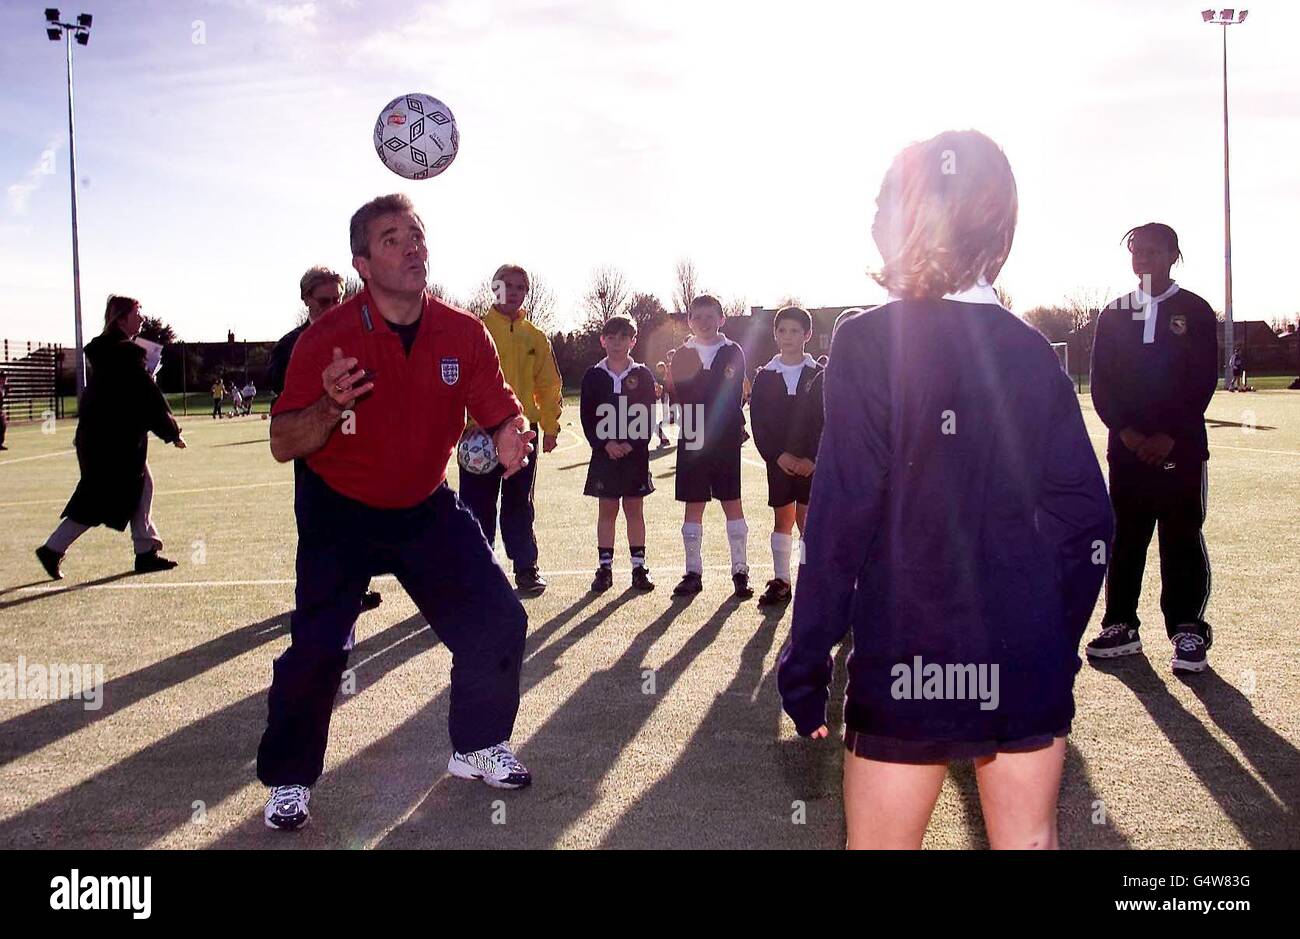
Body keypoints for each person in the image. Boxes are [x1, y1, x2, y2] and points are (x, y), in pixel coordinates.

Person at [778, 130, 1112, 849]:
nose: (873, 215)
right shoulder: (1032, 350)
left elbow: (839, 527)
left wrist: (806, 659)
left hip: (909, 650)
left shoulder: (869, 342)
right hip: (1022, 656)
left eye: (884, 200)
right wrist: (1051, 641)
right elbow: (1086, 520)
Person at [257, 193, 537, 831]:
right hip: (339, 510)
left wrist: (509, 432)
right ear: (362, 262)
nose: (412, 247)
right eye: (391, 239)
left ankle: (476, 746)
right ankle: (290, 782)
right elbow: (283, 443)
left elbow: (495, 404)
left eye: (416, 234)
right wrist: (329, 407)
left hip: (422, 502)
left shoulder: (464, 333)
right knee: (317, 652)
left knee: (498, 621)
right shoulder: (324, 339)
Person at [1086, 223, 1218, 674]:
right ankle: (1120, 624)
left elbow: (1200, 381)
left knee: (1180, 536)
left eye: (1153, 252)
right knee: (1125, 538)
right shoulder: (1114, 314)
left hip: (1179, 450)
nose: (1142, 259)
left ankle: (1187, 629)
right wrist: (1126, 432)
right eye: (1136, 252)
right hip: (1127, 451)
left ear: (1173, 256)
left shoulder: (1195, 311)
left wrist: (1170, 436)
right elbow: (1102, 383)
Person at [35, 295, 188, 580]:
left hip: (103, 440)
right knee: (96, 502)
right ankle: (53, 549)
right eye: (136, 313)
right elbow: (147, 397)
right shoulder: (125, 355)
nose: (141, 319)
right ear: (120, 318)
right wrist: (171, 431)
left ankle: (145, 550)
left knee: (134, 488)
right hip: (113, 443)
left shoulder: (111, 353)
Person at [269, 267, 382, 613]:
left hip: (356, 447)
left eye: (338, 298)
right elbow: (281, 396)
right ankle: (312, 600)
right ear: (306, 300)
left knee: (359, 521)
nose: (332, 306)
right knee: (315, 528)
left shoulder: (360, 336)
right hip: (313, 452)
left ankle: (355, 589)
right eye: (323, 301)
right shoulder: (290, 346)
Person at [460, 263, 563, 597]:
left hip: (522, 435)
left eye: (521, 286)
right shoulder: (475, 330)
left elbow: (548, 385)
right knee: (477, 505)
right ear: (494, 288)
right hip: (479, 435)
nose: (514, 291)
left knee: (519, 503)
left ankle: (526, 568)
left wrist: (550, 426)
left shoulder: (536, 338)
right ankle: (477, 572)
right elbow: (458, 382)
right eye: (507, 285)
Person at [666, 294, 752, 598]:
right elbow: (684, 394)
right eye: (697, 317)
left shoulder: (732, 351)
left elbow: (728, 393)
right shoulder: (682, 355)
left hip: (725, 436)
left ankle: (740, 570)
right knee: (694, 504)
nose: (703, 323)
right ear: (689, 321)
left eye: (709, 316)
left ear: (721, 319)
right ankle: (693, 571)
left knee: (732, 501)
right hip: (693, 435)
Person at [749, 306, 824, 607]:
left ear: (807, 335)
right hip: (779, 463)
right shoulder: (765, 377)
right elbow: (760, 424)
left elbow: (827, 421)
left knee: (808, 522)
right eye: (783, 331)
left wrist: (814, 459)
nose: (788, 337)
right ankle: (782, 580)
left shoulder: (819, 374)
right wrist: (777, 456)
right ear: (775, 335)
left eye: (795, 331)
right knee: (782, 519)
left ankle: (812, 580)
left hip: (811, 465)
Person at [580, 316, 657, 593]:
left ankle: (639, 568)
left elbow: (648, 417)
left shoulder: (644, 375)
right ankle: (605, 568)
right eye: (611, 337)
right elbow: (587, 417)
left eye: (624, 337)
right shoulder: (594, 375)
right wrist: (604, 444)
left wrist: (632, 444)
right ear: (603, 340)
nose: (617, 343)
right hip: (605, 456)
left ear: (633, 341)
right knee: (607, 511)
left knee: (634, 510)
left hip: (634, 456)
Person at [653, 361, 672, 447]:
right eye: (658, 368)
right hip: (660, 403)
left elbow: (665, 392)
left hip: (664, 403)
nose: (659, 370)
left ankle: (664, 440)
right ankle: (664, 439)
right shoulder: (657, 378)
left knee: (654, 424)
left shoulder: (666, 377)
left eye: (660, 368)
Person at [0, 371, 8, 451]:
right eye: (2, 377)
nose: (3, 379)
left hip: (0, 409)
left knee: (3, 426)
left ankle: (0, 444)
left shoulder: (3, 387)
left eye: (4, 377)